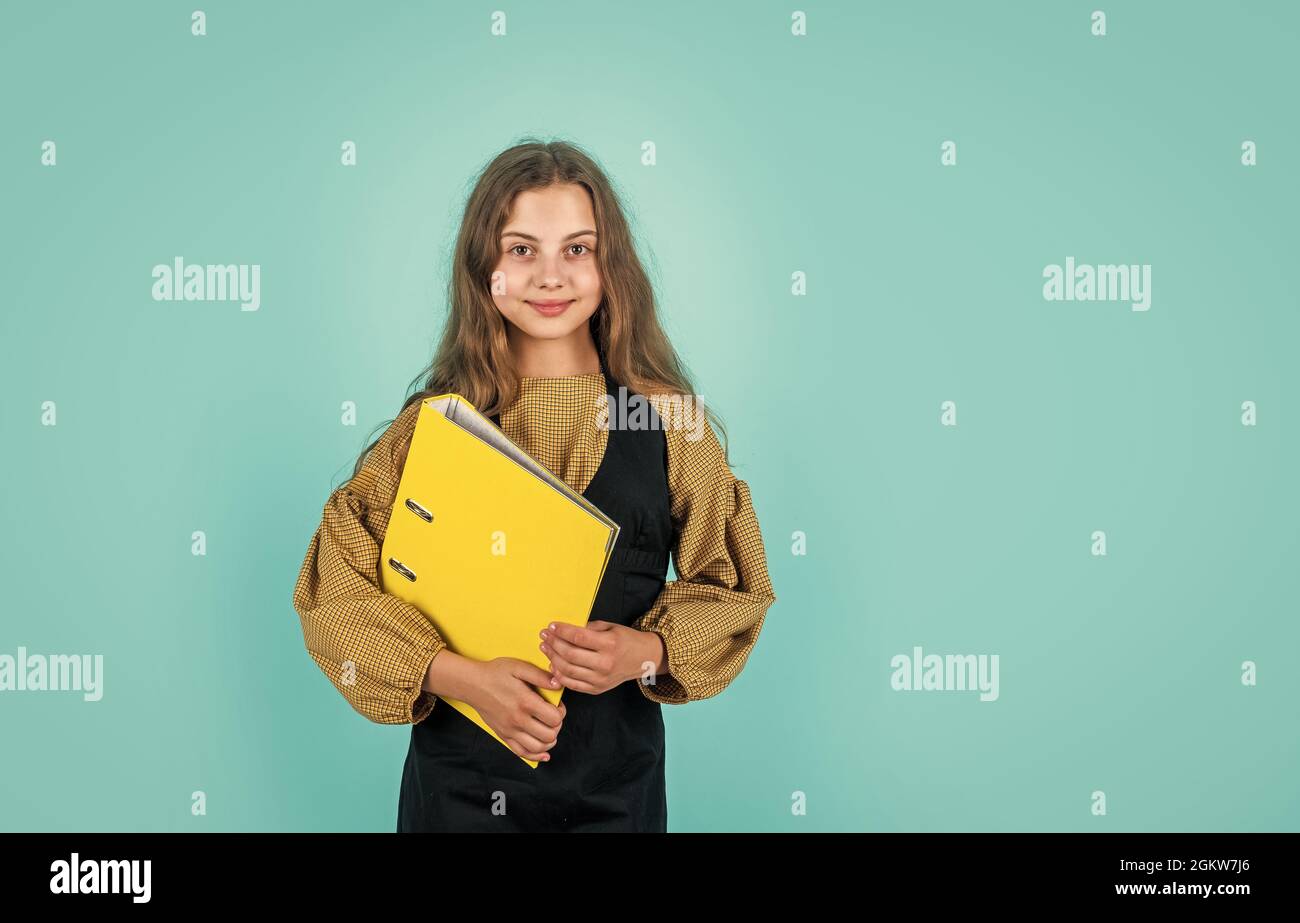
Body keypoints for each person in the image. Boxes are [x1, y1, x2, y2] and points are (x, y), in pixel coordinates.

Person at [291, 139, 776, 832]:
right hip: (458, 793)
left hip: (617, 791)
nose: (551, 276)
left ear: (611, 266)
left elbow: (736, 591)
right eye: (522, 250)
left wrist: (646, 651)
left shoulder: (669, 423)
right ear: (484, 268)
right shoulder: (432, 428)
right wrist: (459, 677)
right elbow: (331, 594)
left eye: (577, 249)